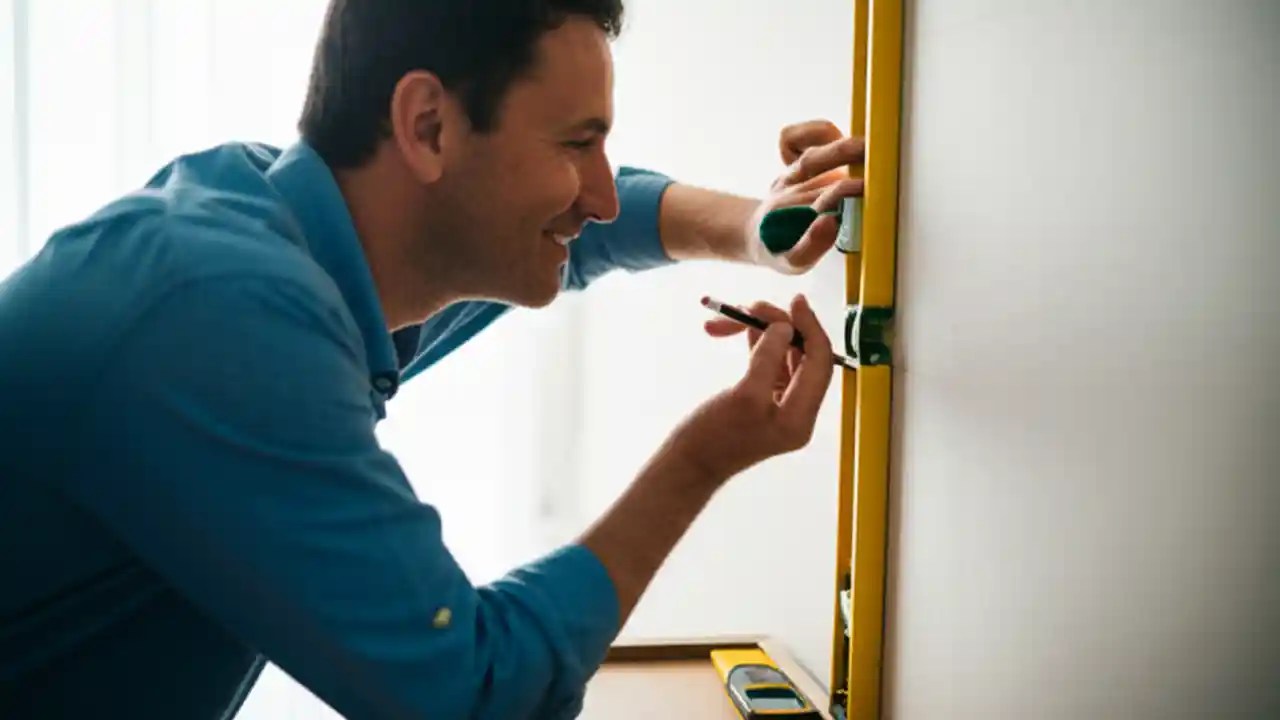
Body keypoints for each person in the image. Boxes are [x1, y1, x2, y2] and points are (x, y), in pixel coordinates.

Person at [0, 0, 864, 717]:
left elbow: (601, 227)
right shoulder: (222, 320)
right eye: (575, 145)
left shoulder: (275, 222)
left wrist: (762, 231)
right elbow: (471, 695)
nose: (598, 192)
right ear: (428, 126)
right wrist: (701, 459)